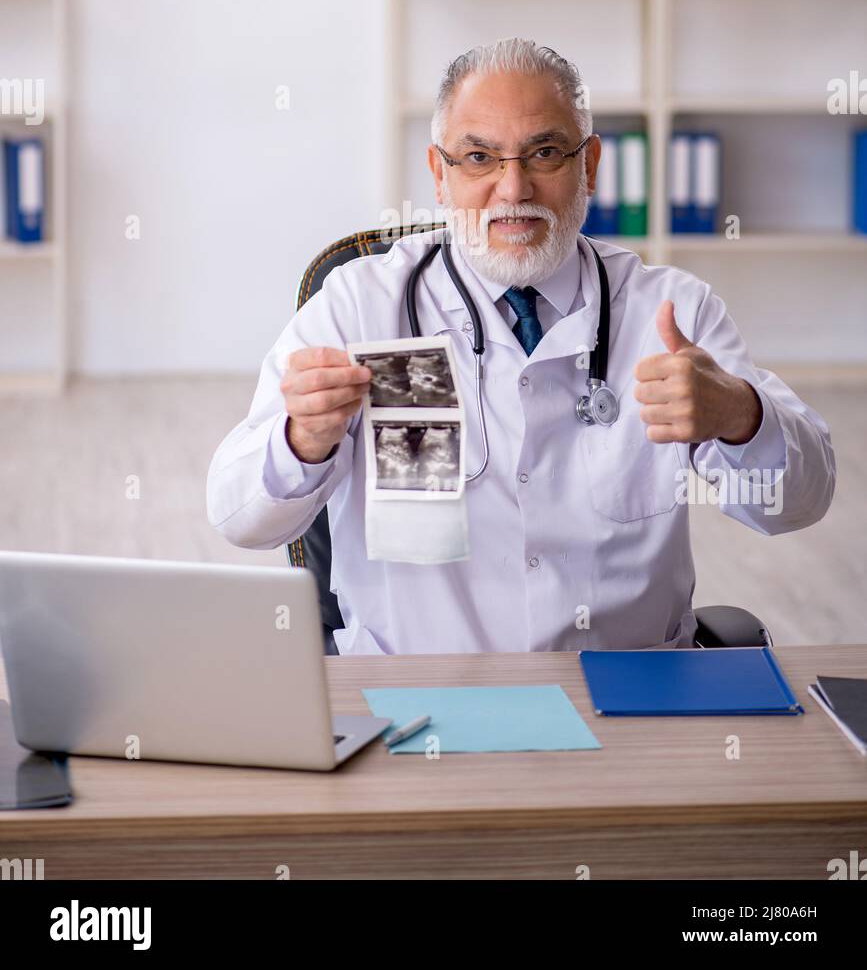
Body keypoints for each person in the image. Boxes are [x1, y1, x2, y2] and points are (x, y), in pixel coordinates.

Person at [206, 38, 835, 654]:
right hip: (416, 701)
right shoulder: (361, 306)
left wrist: (741, 418)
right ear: (439, 174)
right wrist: (300, 441)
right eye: (480, 158)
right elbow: (240, 519)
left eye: (544, 153)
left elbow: (797, 503)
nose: (514, 189)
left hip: (630, 697)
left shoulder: (670, 312)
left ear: (589, 166)